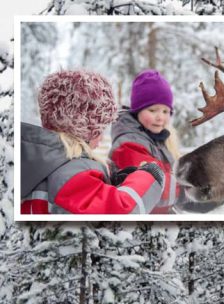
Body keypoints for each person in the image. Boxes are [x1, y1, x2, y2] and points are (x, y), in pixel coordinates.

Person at [20, 69, 164, 215]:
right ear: (85, 128)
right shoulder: (72, 173)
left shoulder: (40, 163)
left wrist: (109, 184)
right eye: (100, 129)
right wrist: (150, 176)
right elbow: (121, 212)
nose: (101, 139)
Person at [109, 70, 182, 214]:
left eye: (165, 111)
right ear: (138, 110)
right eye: (153, 110)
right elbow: (152, 186)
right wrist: (189, 190)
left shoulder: (159, 140)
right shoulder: (129, 145)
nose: (160, 117)